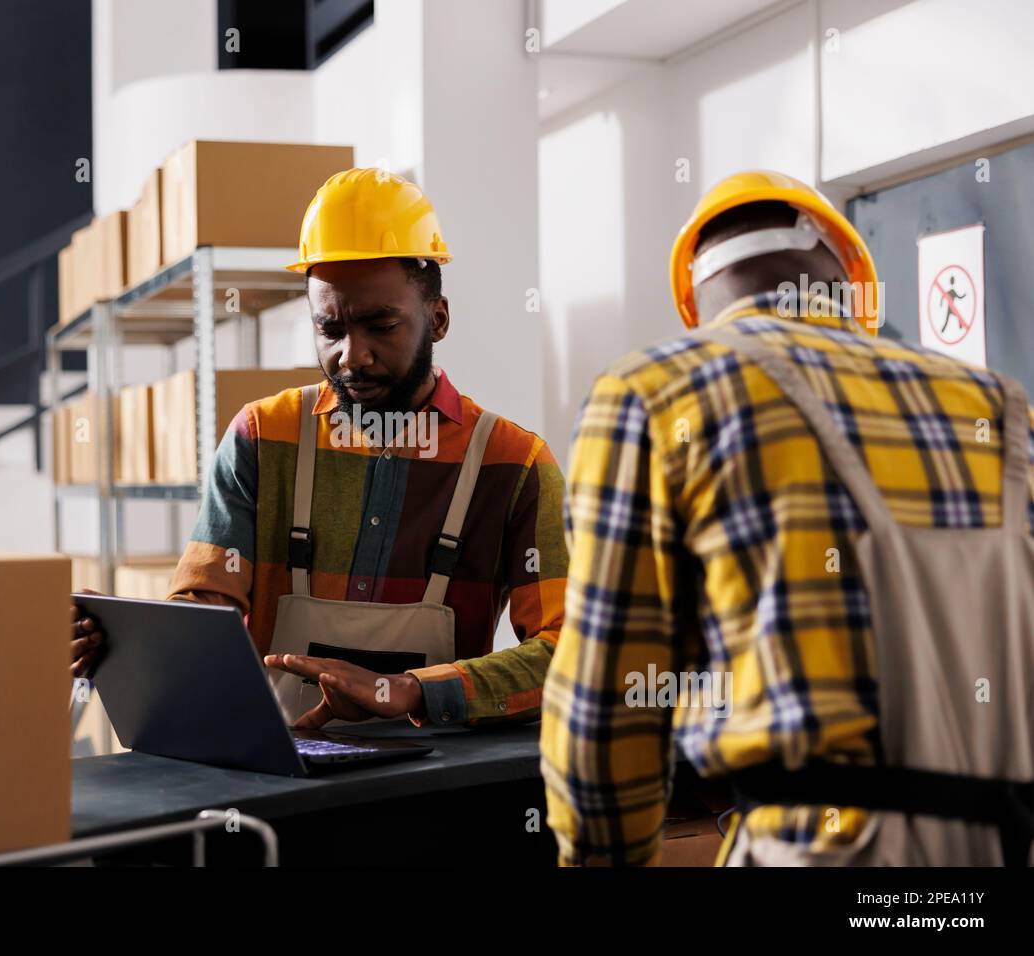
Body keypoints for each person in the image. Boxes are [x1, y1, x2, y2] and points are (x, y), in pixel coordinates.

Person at [541, 169, 1034, 866]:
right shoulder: (1002, 408)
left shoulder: (655, 393)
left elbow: (608, 709)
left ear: (699, 299)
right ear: (845, 273)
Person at [75, 168, 567, 730]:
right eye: (329, 329)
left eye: (380, 326)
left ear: (438, 318)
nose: (351, 357)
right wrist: (130, 637)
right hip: (277, 774)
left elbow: (570, 656)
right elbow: (205, 614)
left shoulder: (514, 465)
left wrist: (412, 692)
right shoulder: (263, 438)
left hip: (436, 786)